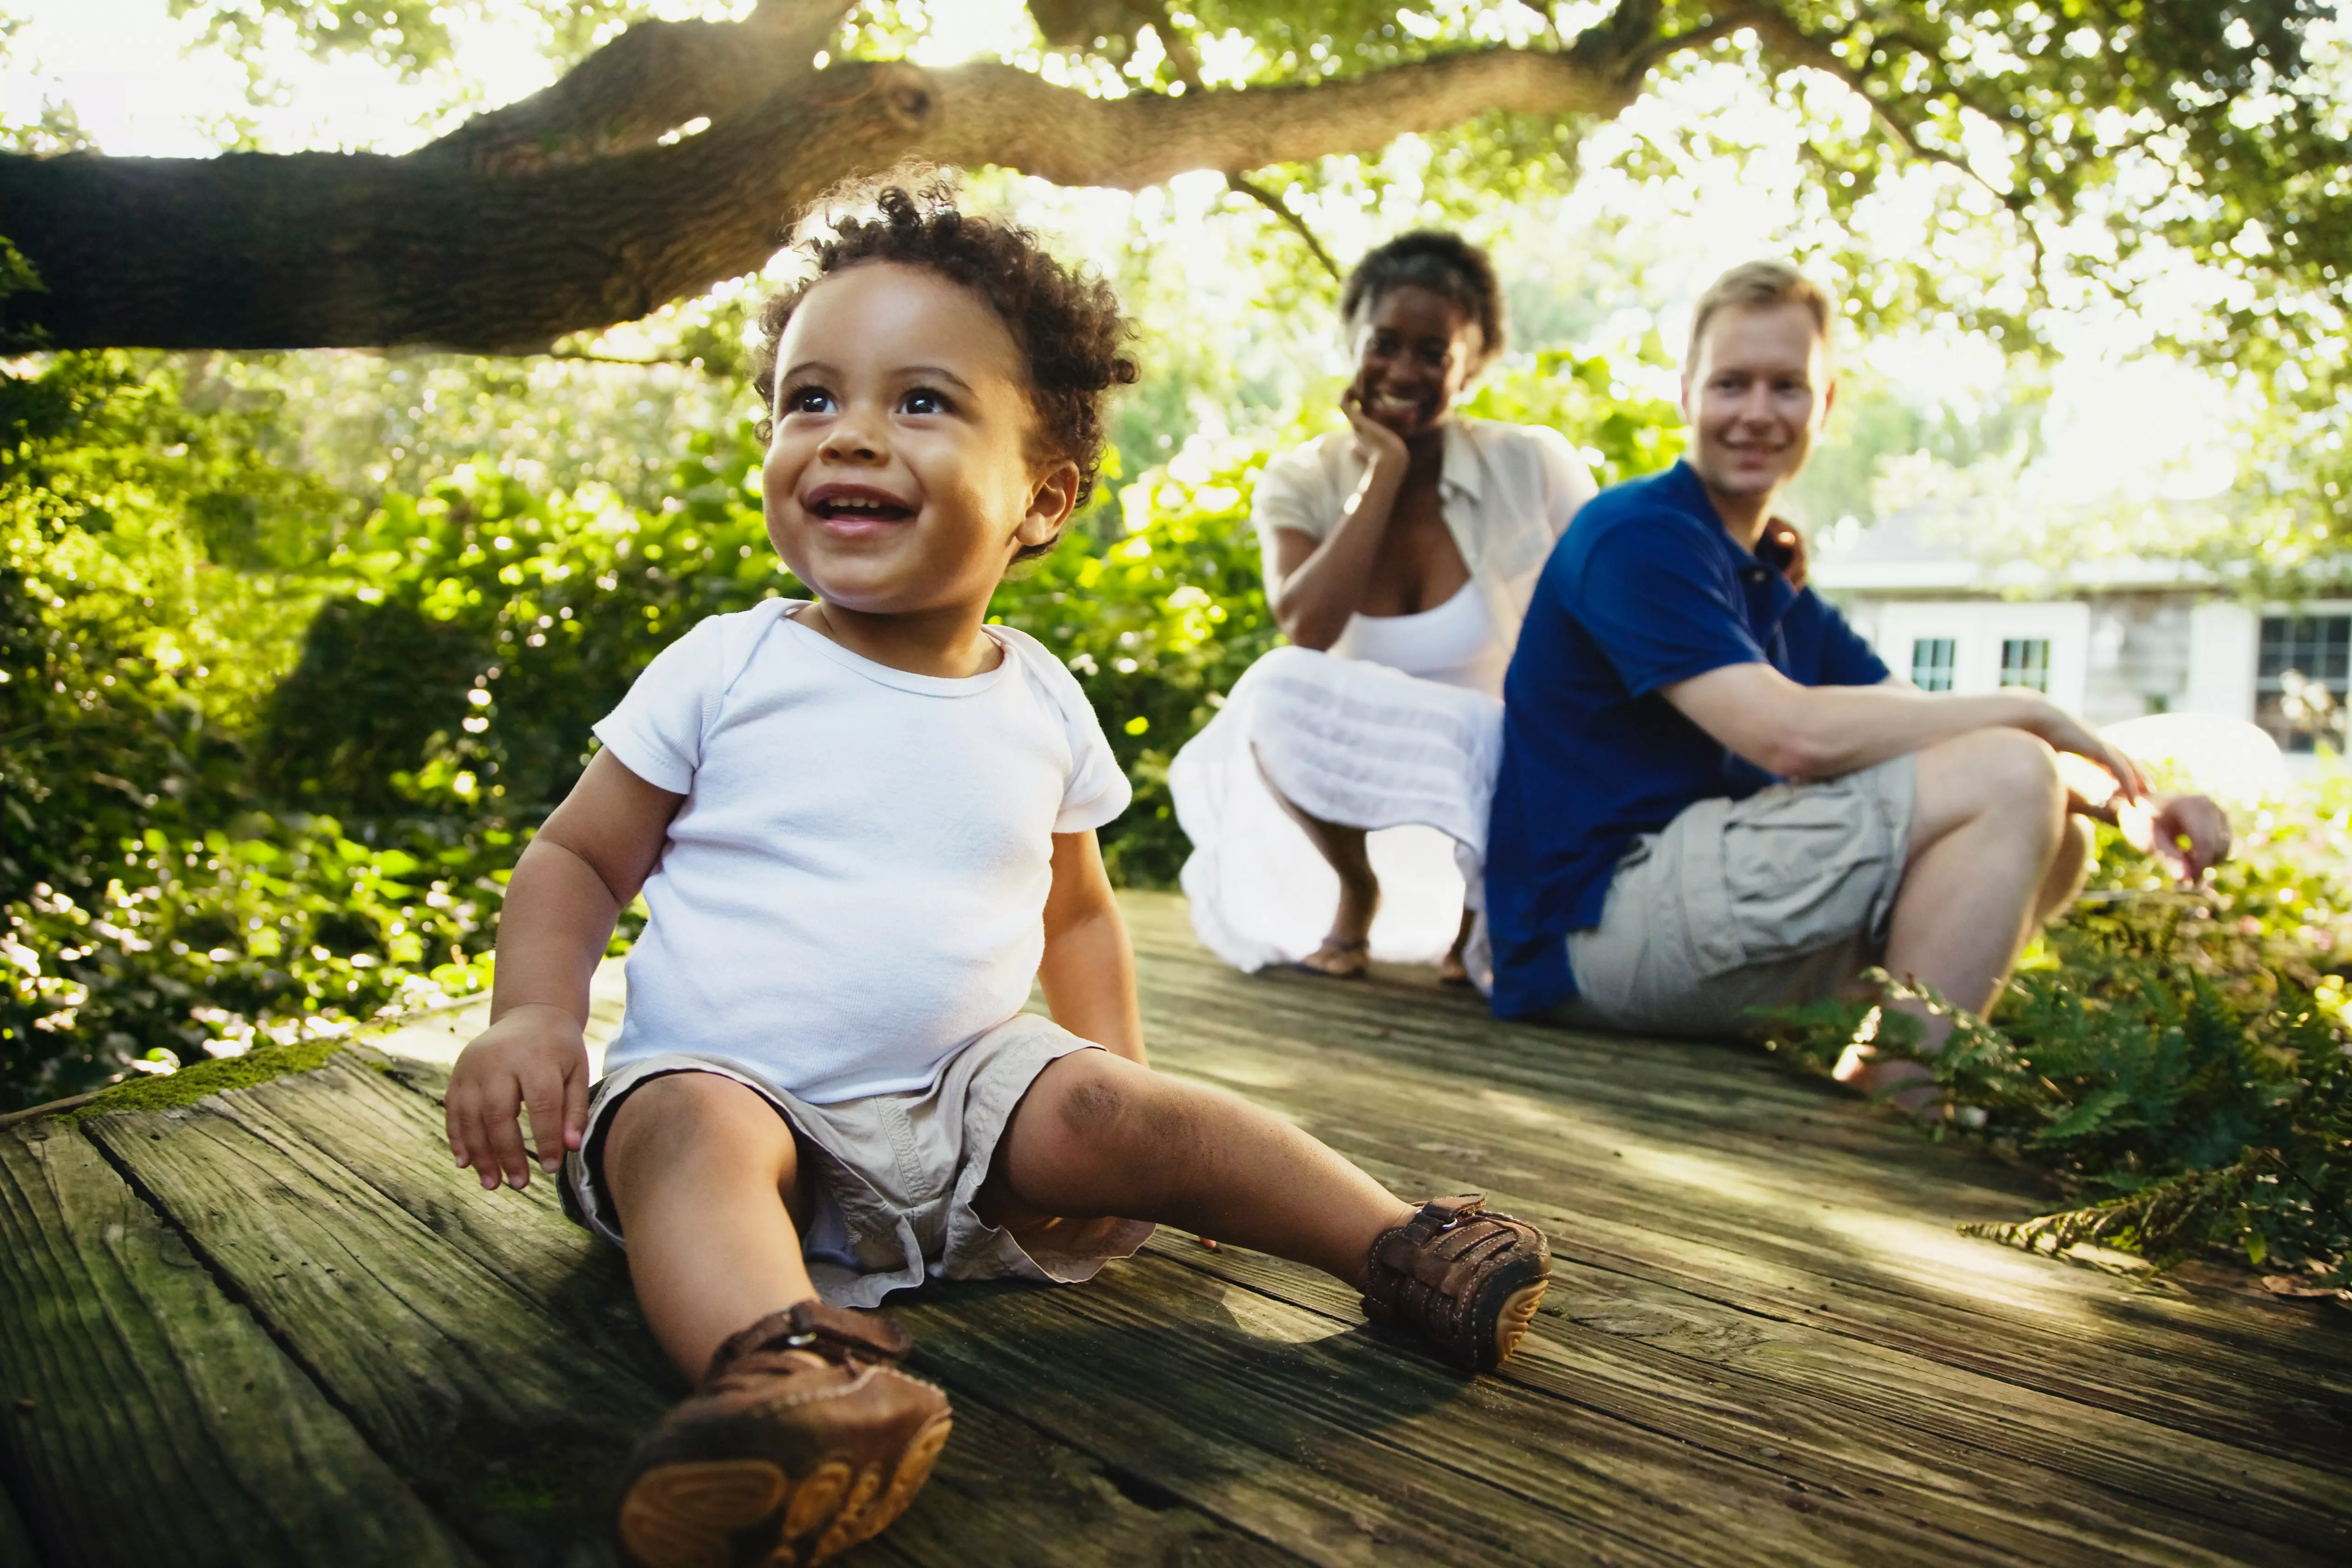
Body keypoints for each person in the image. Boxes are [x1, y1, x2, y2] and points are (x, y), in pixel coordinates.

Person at [439, 186, 1554, 1568]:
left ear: (1042, 494)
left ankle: (1395, 1247)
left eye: (919, 403)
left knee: (1123, 1102)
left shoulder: (1039, 699)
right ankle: (786, 1380)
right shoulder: (729, 665)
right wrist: (533, 1013)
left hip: (964, 1113)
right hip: (732, 1083)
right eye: (808, 400)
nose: (845, 432)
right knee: (684, 1132)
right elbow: (576, 856)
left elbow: (1076, 909)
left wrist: (1118, 1097)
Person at [1484, 259, 2231, 1105]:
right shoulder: (1637, 538)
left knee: (2057, 824)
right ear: (1686, 392)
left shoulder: (1771, 580)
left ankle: (1887, 1086)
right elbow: (1787, 734)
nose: (1758, 413)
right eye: (1732, 384)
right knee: (2015, 770)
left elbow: (1921, 725)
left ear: (1825, 404)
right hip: (1593, 932)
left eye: (1787, 387)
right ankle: (1899, 1109)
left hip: (1689, 919)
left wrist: (2134, 801)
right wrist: (2033, 711)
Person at [1170, 232, 1597, 981]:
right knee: (1273, 684)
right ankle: (1357, 890)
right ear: (1353, 344)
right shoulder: (1301, 480)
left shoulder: (1532, 465)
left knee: (1505, 721)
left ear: (1473, 364)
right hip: (1359, 777)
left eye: (1434, 353)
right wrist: (1383, 475)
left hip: (1506, 772)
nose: (1403, 370)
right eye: (1385, 344)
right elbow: (1307, 628)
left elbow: (1610, 606)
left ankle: (1476, 922)